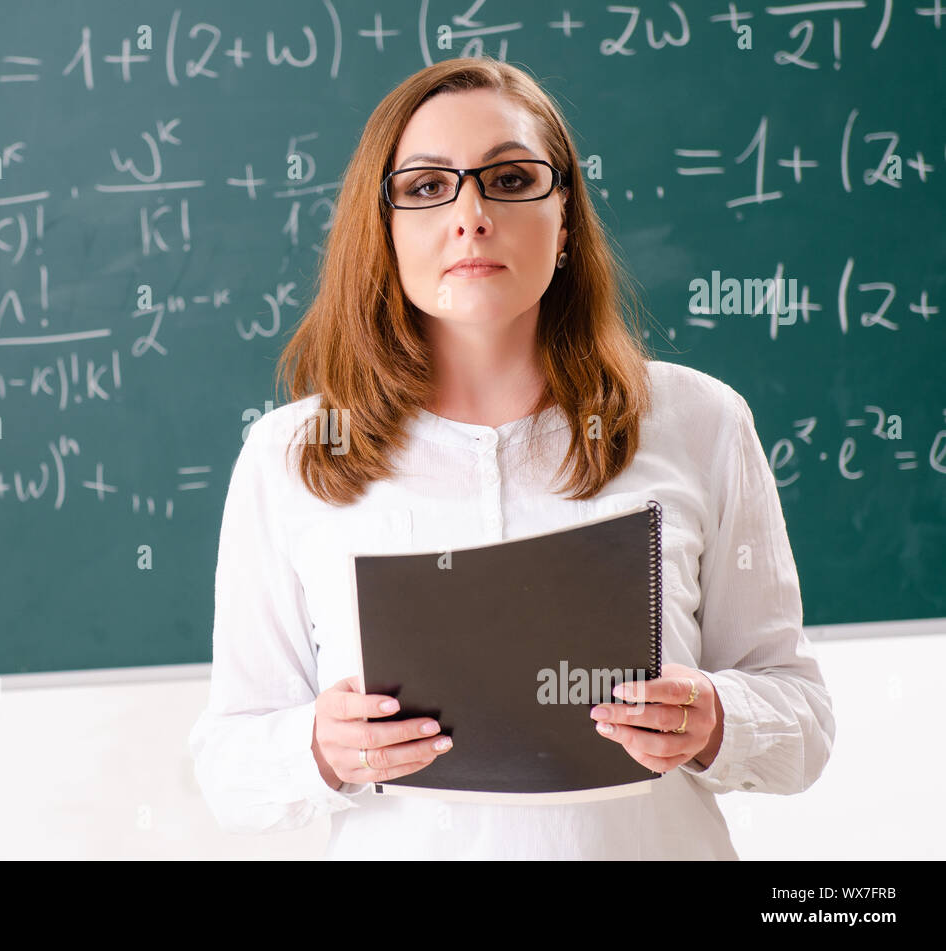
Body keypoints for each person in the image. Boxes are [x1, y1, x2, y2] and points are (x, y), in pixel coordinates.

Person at [187, 57, 835, 859]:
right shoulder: (290, 455)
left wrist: (715, 720)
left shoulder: (700, 421)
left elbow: (804, 723)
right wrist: (319, 746)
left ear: (565, 222)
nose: (471, 215)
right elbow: (229, 770)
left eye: (510, 179)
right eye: (428, 186)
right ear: (383, 228)